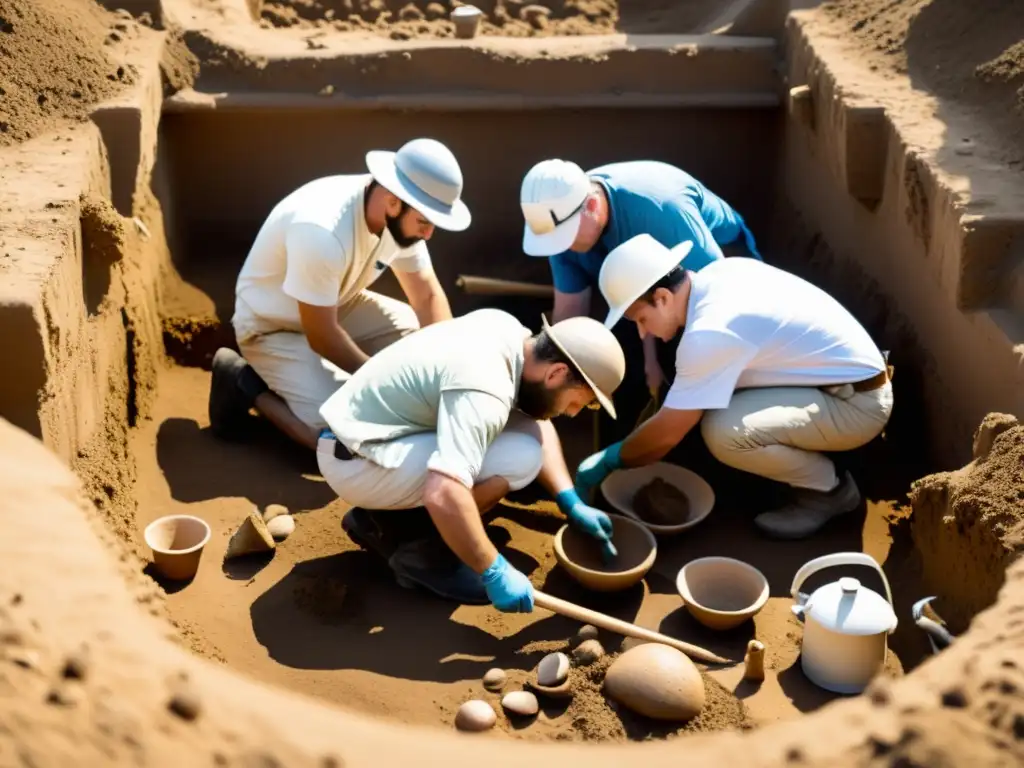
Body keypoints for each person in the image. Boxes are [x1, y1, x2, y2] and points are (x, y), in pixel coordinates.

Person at [574, 233, 894, 540]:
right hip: (844, 379)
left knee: (724, 433)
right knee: (713, 404)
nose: (643, 333)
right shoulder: (719, 273)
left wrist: (610, 460)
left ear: (662, 297)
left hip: (858, 406)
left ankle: (830, 492)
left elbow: (668, 434)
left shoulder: (708, 333)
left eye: (641, 319)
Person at [315, 307, 627, 611]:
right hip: (356, 463)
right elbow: (442, 492)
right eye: (577, 402)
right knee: (519, 459)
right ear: (557, 372)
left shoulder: (507, 331)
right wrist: (494, 569)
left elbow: (535, 423)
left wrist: (569, 499)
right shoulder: (485, 391)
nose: (571, 413)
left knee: (524, 440)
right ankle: (422, 550)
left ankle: (382, 519)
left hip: (369, 437)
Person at [208, 137, 471, 450]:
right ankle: (244, 383)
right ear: (392, 201)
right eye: (425, 222)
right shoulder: (322, 231)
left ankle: (308, 385)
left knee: (419, 340)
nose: (429, 234)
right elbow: (321, 335)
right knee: (342, 428)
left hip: (336, 304)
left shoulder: (400, 217)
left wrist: (452, 375)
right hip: (272, 327)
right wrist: (387, 388)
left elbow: (427, 296)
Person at [519, 158, 761, 438]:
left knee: (690, 374)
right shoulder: (563, 225)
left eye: (564, 237)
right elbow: (570, 318)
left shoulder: (661, 210)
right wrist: (553, 397)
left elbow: (721, 293)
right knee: (618, 367)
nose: (561, 248)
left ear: (593, 207)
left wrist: (659, 362)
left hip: (708, 277)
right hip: (641, 299)